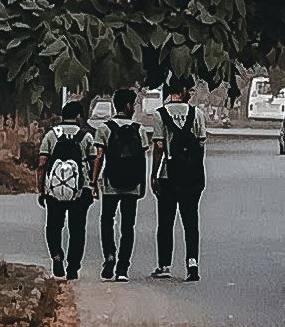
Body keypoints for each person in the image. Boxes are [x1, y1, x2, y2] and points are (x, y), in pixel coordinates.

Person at [153, 73, 206, 278]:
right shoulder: (197, 114)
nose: (191, 94)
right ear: (182, 90)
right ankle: (192, 263)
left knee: (166, 221)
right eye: (189, 90)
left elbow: (158, 147)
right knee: (191, 221)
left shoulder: (160, 115)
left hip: (168, 174)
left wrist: (154, 174)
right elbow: (201, 144)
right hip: (191, 177)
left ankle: (165, 265)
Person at [37, 88, 93, 278]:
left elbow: (42, 164)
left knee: (53, 226)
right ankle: (73, 267)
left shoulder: (51, 135)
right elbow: (94, 162)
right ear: (78, 116)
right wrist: (93, 185)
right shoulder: (86, 137)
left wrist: (41, 189)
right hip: (80, 189)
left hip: (53, 190)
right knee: (77, 229)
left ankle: (56, 256)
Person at [96, 86, 150, 277]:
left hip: (111, 183)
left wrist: (94, 181)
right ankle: (123, 268)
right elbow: (143, 160)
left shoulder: (105, 129)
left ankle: (109, 255)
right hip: (132, 186)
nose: (134, 107)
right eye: (133, 104)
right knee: (128, 226)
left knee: (107, 221)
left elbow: (99, 157)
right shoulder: (139, 130)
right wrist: (143, 185)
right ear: (127, 106)